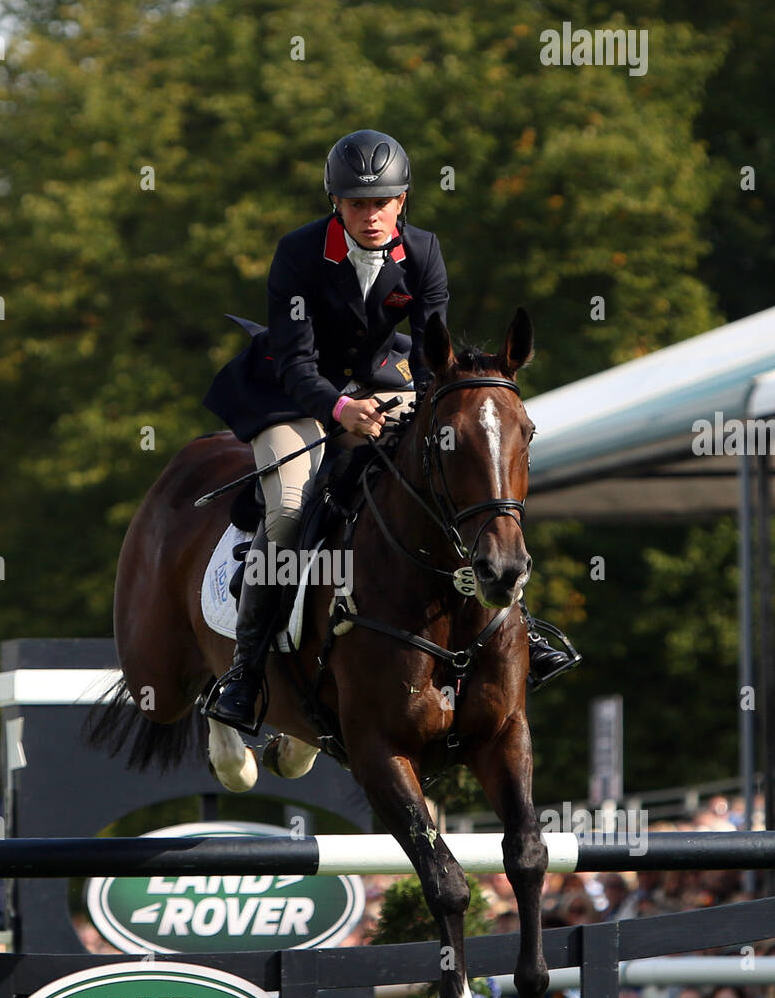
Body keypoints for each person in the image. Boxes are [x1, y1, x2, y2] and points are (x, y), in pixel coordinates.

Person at [201, 129, 578, 733]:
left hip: (383, 379)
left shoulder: (423, 251)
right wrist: (340, 411)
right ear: (336, 203)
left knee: (456, 467)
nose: (370, 215)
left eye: (382, 203)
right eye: (357, 204)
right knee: (290, 509)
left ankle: (519, 623)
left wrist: (428, 410)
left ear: (402, 201)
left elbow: (432, 355)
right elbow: (296, 363)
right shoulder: (298, 254)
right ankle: (245, 671)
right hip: (291, 393)